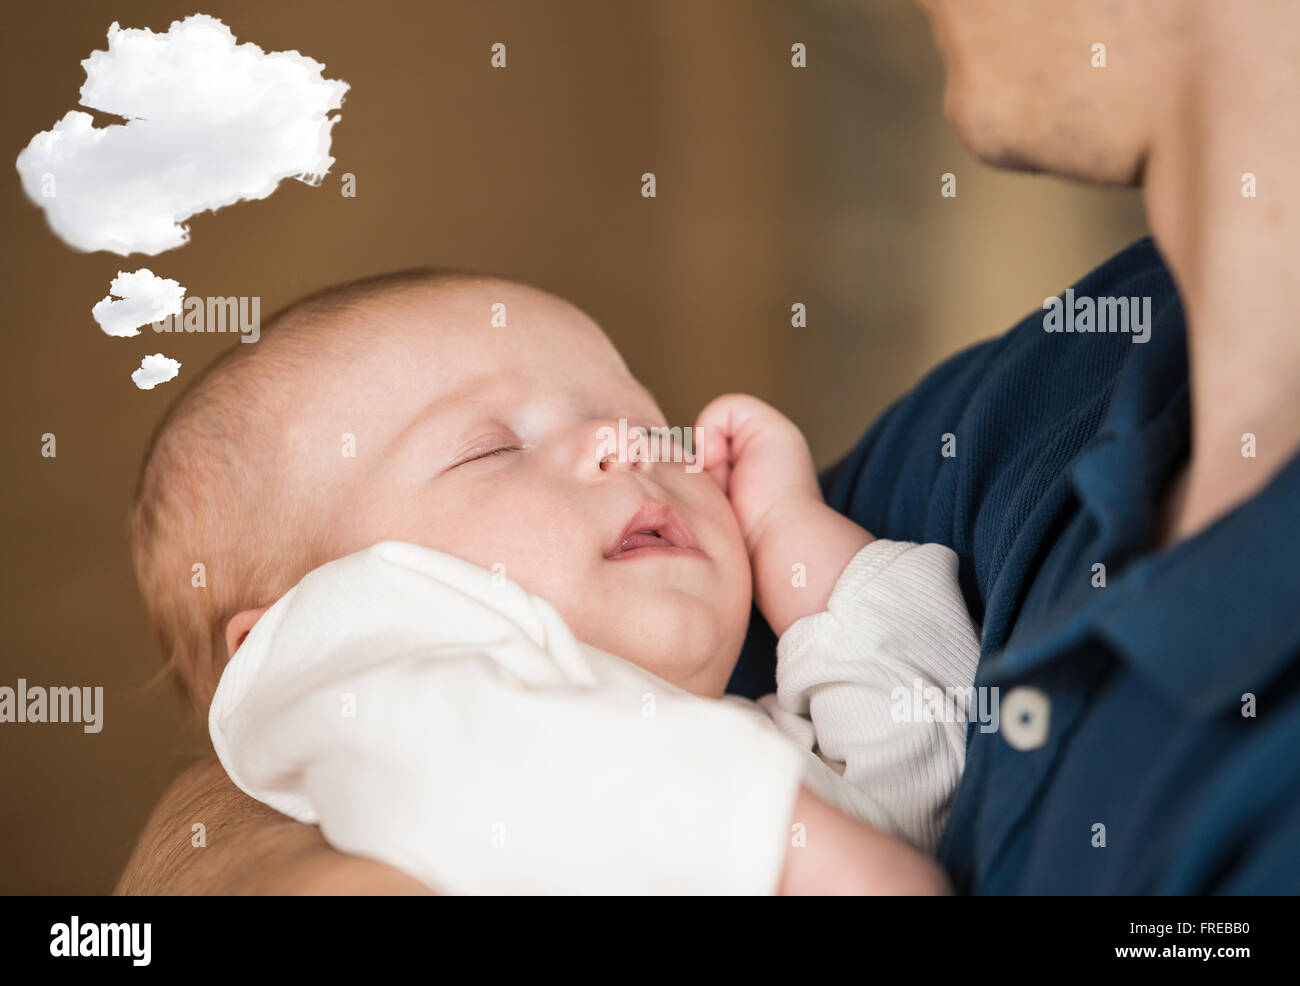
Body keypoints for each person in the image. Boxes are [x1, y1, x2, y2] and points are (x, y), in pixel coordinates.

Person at [118, 0, 1300, 893]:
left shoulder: (730, 711)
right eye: (486, 448)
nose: (622, 443)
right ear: (281, 642)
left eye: (632, 408)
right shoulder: (388, 690)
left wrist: (809, 555)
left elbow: (927, 772)